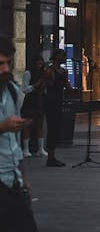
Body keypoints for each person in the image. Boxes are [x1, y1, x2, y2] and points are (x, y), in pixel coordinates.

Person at [0, 34, 39, 231]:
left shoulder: (12, 91)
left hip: (12, 181)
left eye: (9, 63)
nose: (5, 69)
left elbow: (14, 143)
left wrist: (24, 179)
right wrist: (2, 127)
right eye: (0, 64)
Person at [42, 49, 70, 166]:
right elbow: (42, 87)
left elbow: (67, 87)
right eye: (63, 56)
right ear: (57, 57)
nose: (65, 58)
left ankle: (52, 156)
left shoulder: (63, 71)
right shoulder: (49, 71)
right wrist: (41, 103)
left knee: (56, 129)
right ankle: (51, 157)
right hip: (50, 103)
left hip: (58, 103)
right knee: (52, 129)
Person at [21, 56, 46, 158]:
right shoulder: (28, 73)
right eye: (37, 64)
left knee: (39, 124)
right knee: (27, 124)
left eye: (41, 64)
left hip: (39, 100)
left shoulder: (44, 73)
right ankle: (26, 149)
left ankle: (40, 149)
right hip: (30, 100)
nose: (39, 66)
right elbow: (25, 89)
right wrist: (35, 85)